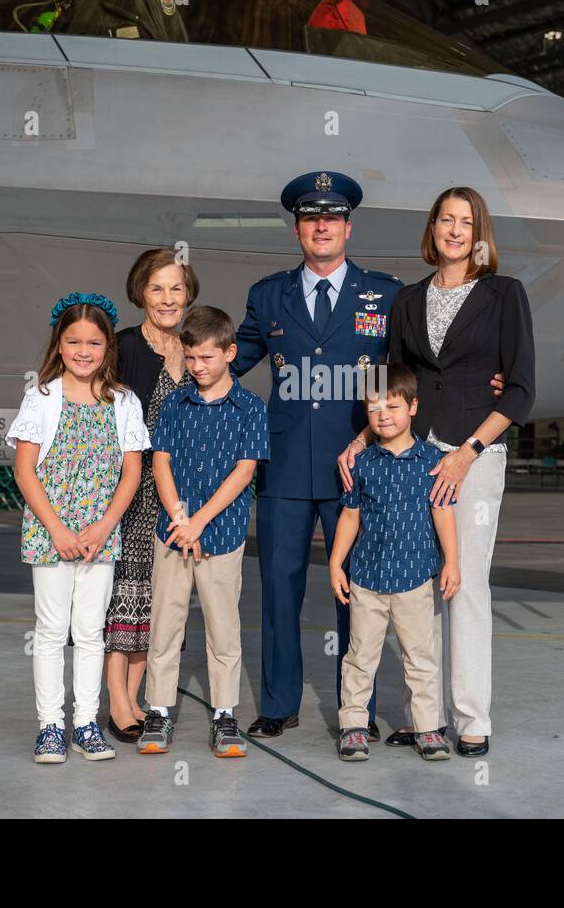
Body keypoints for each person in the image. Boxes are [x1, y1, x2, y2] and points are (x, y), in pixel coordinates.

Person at [341, 186, 535, 758]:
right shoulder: (407, 299)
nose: (455, 230)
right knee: (413, 586)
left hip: (471, 458)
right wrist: (361, 437)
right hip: (412, 457)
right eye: (446, 220)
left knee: (465, 584)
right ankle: (425, 717)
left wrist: (468, 450)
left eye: (466, 221)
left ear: (480, 234)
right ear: (432, 228)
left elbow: (521, 388)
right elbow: (390, 381)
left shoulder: (504, 294)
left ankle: (472, 718)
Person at [230, 170, 403, 741]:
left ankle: (358, 710)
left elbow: (406, 371)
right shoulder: (267, 294)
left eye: (330, 217)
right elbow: (228, 364)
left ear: (348, 227)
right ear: (298, 229)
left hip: (357, 462)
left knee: (357, 590)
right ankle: (279, 703)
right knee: (279, 588)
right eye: (310, 218)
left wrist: (483, 383)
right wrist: (166, 371)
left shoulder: (386, 293)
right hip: (283, 464)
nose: (321, 226)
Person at [7, 292, 148, 763]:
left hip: (100, 536)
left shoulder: (124, 402)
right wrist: (59, 530)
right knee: (51, 630)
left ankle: (86, 723)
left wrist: (104, 526)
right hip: (52, 532)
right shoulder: (41, 397)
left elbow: (131, 472)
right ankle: (51, 727)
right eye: (73, 342)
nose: (83, 351)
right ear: (59, 345)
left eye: (93, 342)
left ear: (108, 346)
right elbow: (25, 471)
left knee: (90, 632)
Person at [137, 306, 269, 758]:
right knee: (165, 624)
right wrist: (178, 516)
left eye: (207, 358)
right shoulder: (176, 401)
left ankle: (224, 715)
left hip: (222, 535)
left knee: (223, 627)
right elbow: (161, 461)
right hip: (172, 533)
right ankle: (157, 710)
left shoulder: (250, 407)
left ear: (230, 353)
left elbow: (244, 471)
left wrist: (200, 521)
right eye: (190, 358)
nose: (197, 367)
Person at [329, 364, 459, 763]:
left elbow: (443, 513)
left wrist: (452, 562)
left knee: (420, 658)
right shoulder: (362, 463)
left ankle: (427, 729)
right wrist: (336, 564)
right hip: (367, 577)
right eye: (374, 408)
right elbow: (350, 516)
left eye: (393, 406)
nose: (384, 415)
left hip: (415, 579)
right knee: (359, 656)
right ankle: (353, 727)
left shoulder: (433, 462)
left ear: (413, 407)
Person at [102, 249, 197, 743]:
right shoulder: (120, 348)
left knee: (160, 604)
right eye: (157, 288)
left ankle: (138, 697)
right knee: (125, 598)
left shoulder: (198, 348)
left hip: (181, 498)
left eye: (176, 288)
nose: (167, 299)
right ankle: (118, 703)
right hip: (132, 493)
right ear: (140, 292)